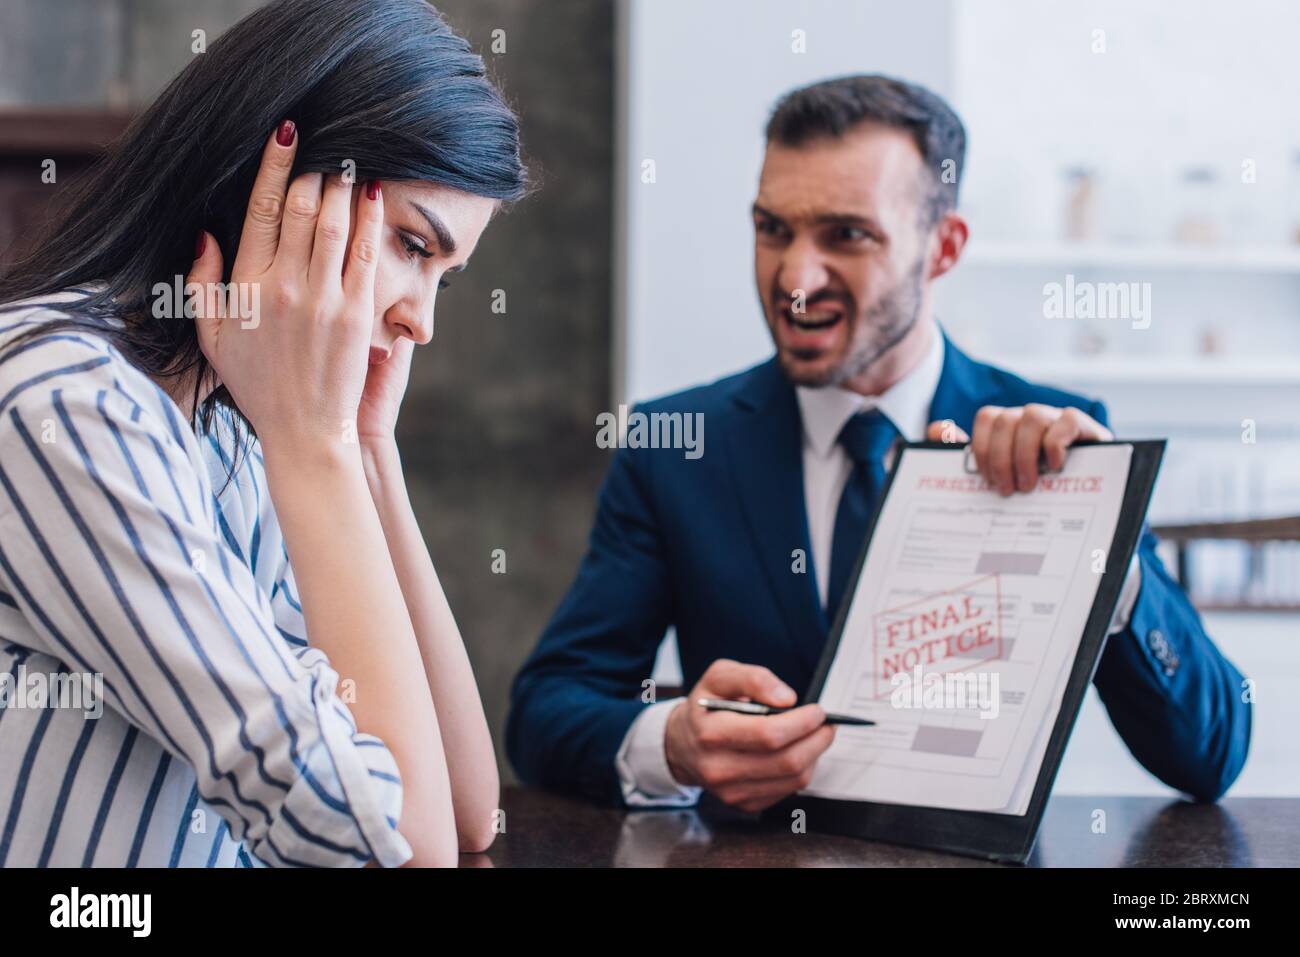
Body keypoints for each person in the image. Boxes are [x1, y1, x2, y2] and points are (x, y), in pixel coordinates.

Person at [508, 74, 1251, 813]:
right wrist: (670, 742)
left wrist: (1100, 539)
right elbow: (546, 708)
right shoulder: (676, 447)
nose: (795, 278)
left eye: (847, 235)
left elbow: (1213, 754)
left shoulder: (1063, 440)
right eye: (773, 229)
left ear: (943, 248)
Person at [0, 0, 526, 867]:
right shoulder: (68, 409)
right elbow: (402, 844)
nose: (422, 321)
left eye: (449, 278)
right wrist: (314, 449)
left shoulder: (233, 425)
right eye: (410, 245)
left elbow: (470, 812)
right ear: (270, 187)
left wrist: (364, 452)